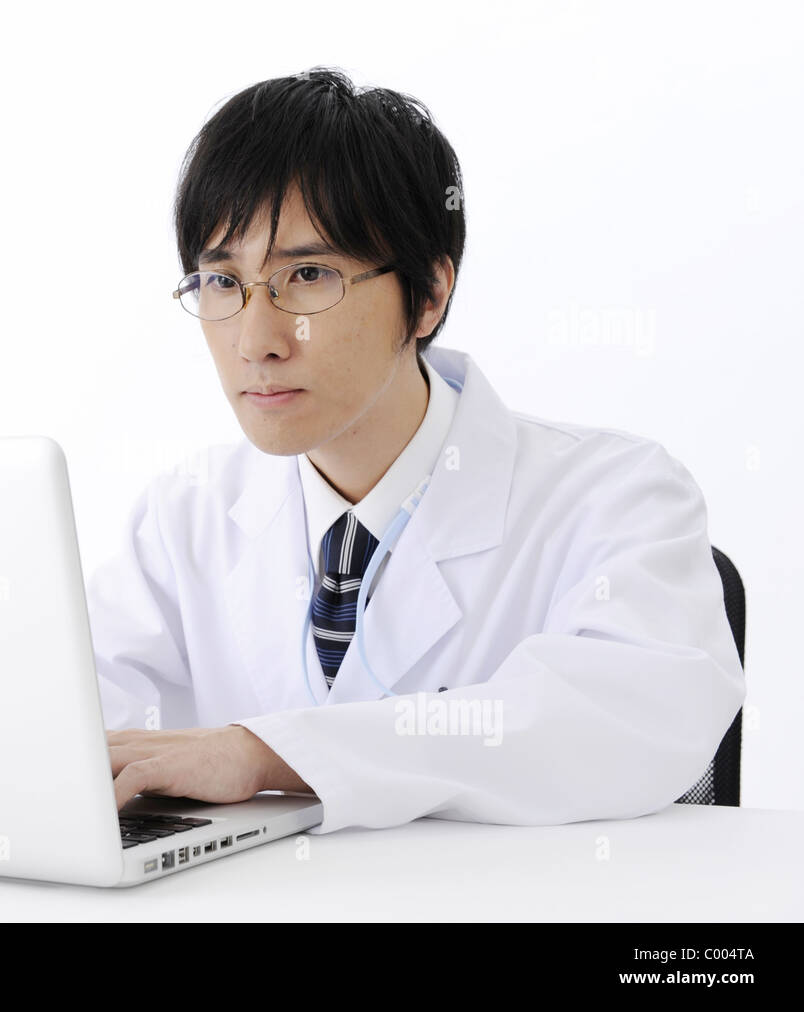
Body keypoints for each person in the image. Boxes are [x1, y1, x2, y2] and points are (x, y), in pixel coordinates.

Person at [93, 67, 745, 832]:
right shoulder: (185, 517)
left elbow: (633, 714)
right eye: (221, 280)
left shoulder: (617, 495)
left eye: (307, 276)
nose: (255, 340)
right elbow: (57, 722)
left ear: (430, 294)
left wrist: (268, 753)